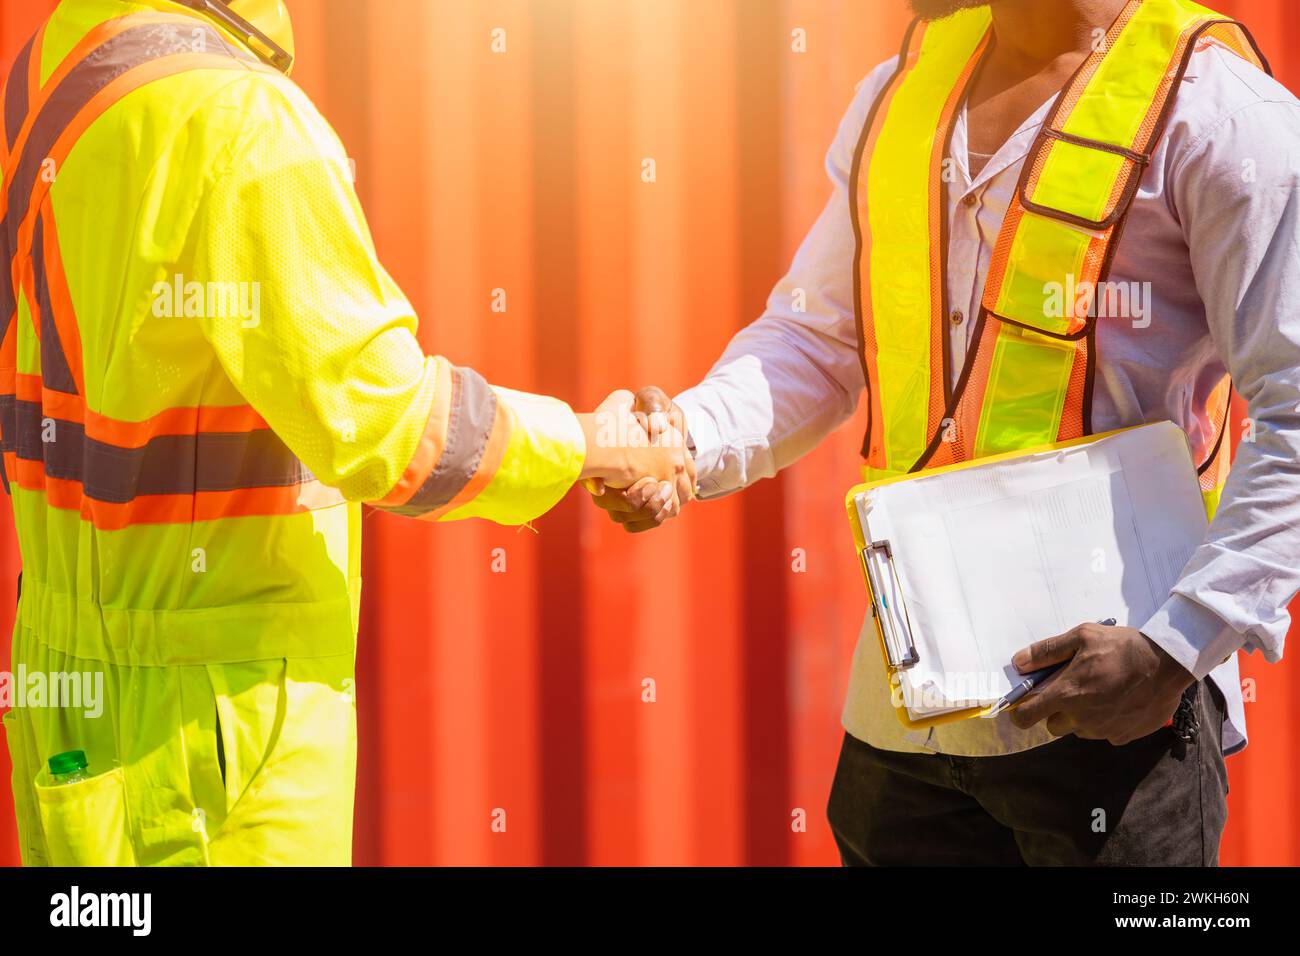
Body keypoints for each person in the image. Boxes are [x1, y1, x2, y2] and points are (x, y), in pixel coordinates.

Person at [591, 0, 1300, 865]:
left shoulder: (1222, 113)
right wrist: (687, 440)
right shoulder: (901, 95)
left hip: (1117, 718)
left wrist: (1175, 647)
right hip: (909, 724)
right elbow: (818, 336)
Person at [0, 0, 687, 866]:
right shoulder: (243, 123)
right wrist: (598, 441)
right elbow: (383, 426)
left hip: (69, 698)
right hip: (209, 732)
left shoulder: (54, 64)